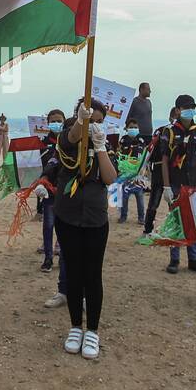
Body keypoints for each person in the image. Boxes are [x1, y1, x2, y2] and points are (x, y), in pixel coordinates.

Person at [44, 98, 117, 360]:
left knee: (92, 275)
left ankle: (93, 330)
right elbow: (71, 138)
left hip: (96, 218)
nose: (93, 125)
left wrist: (100, 147)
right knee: (73, 272)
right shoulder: (67, 138)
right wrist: (80, 122)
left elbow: (110, 177)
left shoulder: (105, 144)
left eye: (98, 121)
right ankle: (75, 327)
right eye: (89, 119)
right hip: (68, 215)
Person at [150, 96, 196, 274]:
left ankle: (193, 258)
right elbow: (165, 160)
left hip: (194, 183)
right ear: (177, 110)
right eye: (186, 108)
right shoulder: (170, 132)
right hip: (175, 183)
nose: (189, 111)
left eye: (192, 108)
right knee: (176, 221)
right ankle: (174, 259)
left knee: (193, 220)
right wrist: (166, 186)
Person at [36, 108, 67, 306]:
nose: (56, 123)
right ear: (48, 123)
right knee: (48, 225)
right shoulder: (42, 144)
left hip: (66, 191)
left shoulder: (68, 141)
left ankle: (63, 259)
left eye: (59, 120)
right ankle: (48, 258)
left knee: (64, 228)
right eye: (53, 121)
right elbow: (34, 164)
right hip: (47, 190)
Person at [141, 105, 178, 234]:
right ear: (170, 117)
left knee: (173, 203)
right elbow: (150, 150)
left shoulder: (184, 133)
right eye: (174, 117)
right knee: (154, 202)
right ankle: (147, 230)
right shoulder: (162, 131)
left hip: (174, 171)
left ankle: (175, 228)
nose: (176, 119)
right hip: (158, 168)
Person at [116, 117, 147, 224]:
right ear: (126, 128)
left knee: (140, 198)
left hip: (138, 175)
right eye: (131, 127)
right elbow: (119, 154)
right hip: (125, 174)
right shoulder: (123, 140)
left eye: (135, 127)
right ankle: (123, 216)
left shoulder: (141, 140)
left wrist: (143, 170)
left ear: (138, 129)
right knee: (124, 197)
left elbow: (144, 156)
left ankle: (141, 218)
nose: (133, 129)